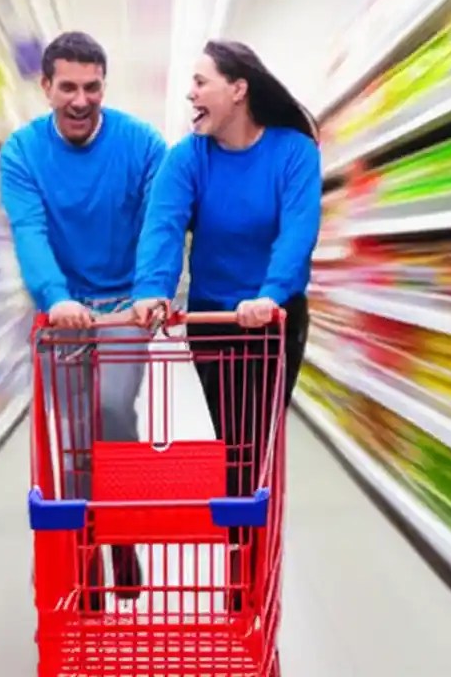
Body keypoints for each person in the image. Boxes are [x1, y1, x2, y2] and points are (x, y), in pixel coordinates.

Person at [130, 40, 321, 608]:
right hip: (213, 320)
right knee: (231, 441)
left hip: (274, 321)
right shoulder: (187, 158)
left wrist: (268, 295)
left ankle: (249, 564)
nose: (190, 93)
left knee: (254, 442)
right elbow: (163, 227)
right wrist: (151, 292)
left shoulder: (294, 152)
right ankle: (244, 549)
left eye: (200, 81)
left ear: (238, 90)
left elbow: (297, 232)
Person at [0, 31, 167, 608]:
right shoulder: (21, 153)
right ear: (45, 87)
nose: (80, 99)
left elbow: (159, 228)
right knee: (71, 437)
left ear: (103, 86)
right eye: (67, 86)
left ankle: (122, 526)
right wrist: (53, 296)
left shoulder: (142, 145)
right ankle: (88, 544)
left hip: (125, 305)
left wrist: (151, 290)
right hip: (64, 311)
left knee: (114, 408)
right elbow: (30, 231)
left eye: (91, 87)